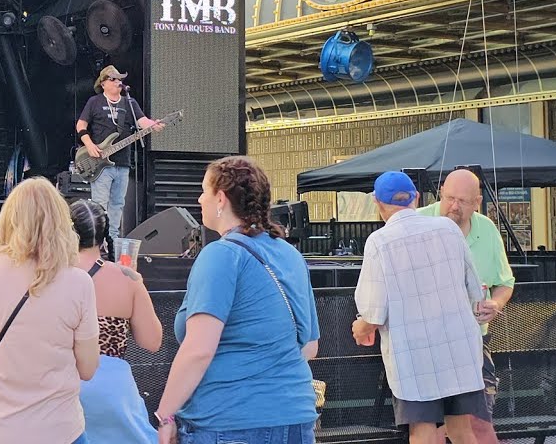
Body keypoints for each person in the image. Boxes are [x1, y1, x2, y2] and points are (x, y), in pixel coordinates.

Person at [153, 156, 320, 444]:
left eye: (204, 191)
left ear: (220, 199)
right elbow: (309, 346)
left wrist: (165, 416)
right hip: (296, 416)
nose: (199, 199)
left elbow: (199, 350)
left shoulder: (221, 255)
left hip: (227, 419)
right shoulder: (290, 255)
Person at [0, 177, 100, 444]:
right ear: (61, 222)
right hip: (60, 431)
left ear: (8, 219)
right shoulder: (79, 282)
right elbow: (88, 369)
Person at [353, 171, 486, 444]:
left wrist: (360, 329)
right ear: (415, 198)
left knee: (422, 432)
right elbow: (475, 289)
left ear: (377, 203)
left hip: (413, 358)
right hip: (458, 349)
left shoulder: (379, 241)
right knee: (462, 431)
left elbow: (373, 312)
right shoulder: (448, 229)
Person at [420, 169, 513, 444]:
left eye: (462, 201)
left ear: (477, 202)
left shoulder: (487, 229)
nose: (453, 206)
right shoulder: (418, 222)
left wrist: (495, 303)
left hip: (473, 340)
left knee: (480, 424)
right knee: (432, 429)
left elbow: (505, 282)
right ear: (440, 193)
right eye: (449, 198)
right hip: (428, 342)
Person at [69, 199, 163, 444]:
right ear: (104, 237)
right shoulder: (126, 277)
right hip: (113, 396)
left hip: (62, 390)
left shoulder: (50, 277)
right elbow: (152, 341)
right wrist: (138, 286)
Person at [75, 65, 165, 241]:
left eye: (120, 79)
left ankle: (112, 240)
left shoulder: (129, 103)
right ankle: (98, 239)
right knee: (100, 204)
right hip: (100, 163)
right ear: (103, 83)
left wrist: (154, 124)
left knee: (117, 203)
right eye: (113, 79)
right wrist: (90, 145)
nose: (118, 82)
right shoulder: (95, 102)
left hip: (122, 163)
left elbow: (143, 121)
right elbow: (81, 124)